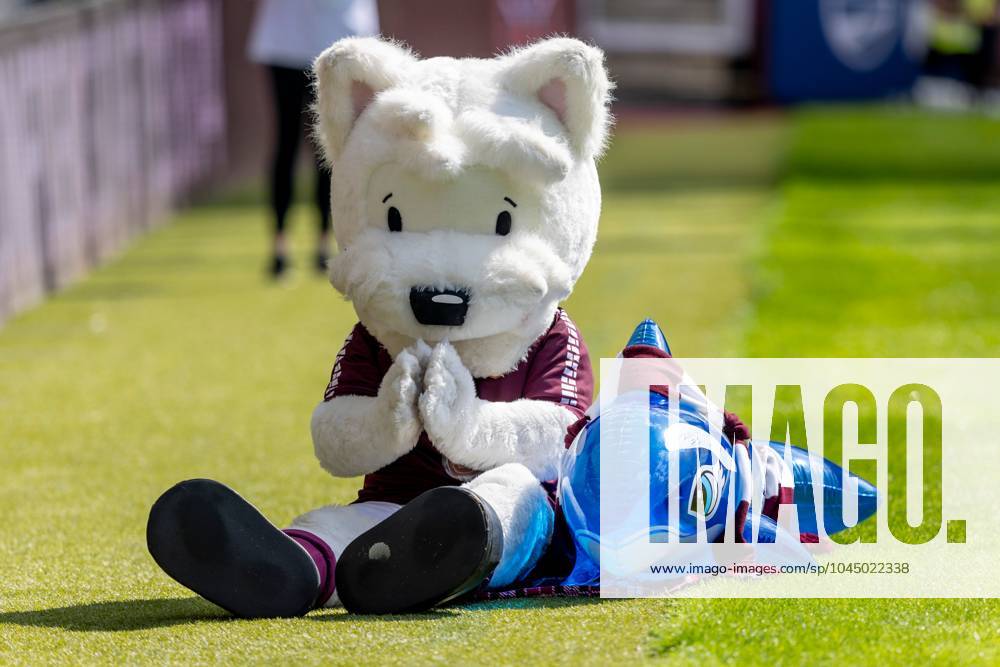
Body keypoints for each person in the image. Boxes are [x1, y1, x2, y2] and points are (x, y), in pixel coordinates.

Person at [248, 0, 379, 277]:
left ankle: (323, 241)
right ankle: (280, 244)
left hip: (333, 42)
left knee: (328, 143)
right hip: (286, 41)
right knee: (287, 143)